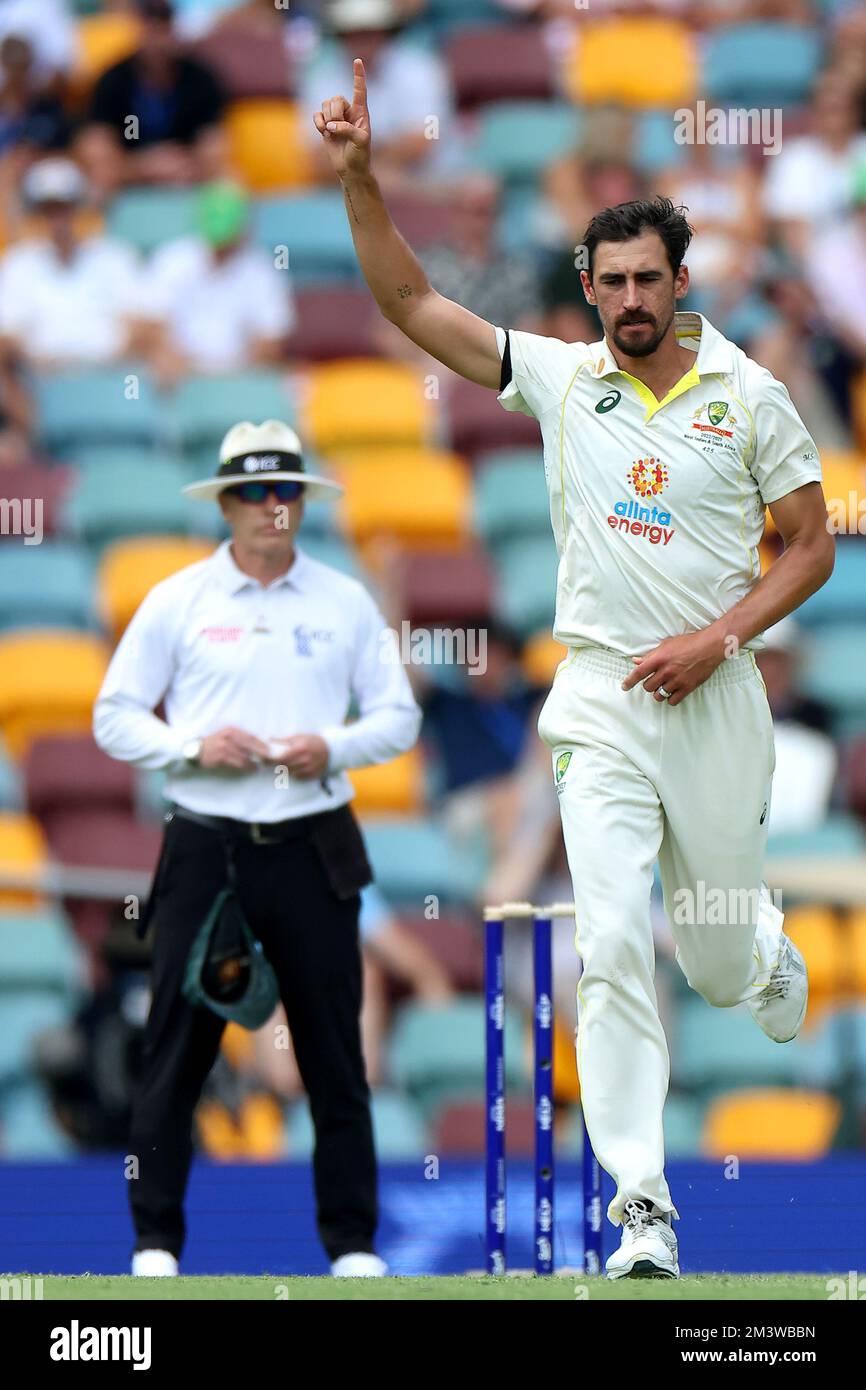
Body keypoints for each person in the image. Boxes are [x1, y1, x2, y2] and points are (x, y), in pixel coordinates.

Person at [312, 60, 835, 1279]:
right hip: (597, 698)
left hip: (714, 700)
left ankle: (756, 950)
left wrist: (718, 636)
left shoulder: (749, 398)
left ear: (679, 281)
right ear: (588, 292)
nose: (629, 300)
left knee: (707, 964)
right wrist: (357, 179)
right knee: (604, 940)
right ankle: (641, 1204)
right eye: (609, 284)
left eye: (649, 278)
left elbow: (810, 545)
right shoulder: (559, 375)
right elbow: (409, 303)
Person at [93, 418, 422, 1278]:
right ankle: (155, 1242)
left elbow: (398, 715)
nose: (272, 507)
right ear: (227, 503)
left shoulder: (343, 601)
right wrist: (191, 747)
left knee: (333, 1051)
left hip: (312, 839)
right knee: (179, 1044)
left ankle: (351, 1245)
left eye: (286, 491)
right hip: (208, 841)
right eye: (254, 492)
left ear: (302, 503)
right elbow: (113, 715)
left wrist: (333, 746)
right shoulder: (179, 600)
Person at [139, 180, 296, 381]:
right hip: (178, 378)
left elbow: (271, 339)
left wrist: (238, 373)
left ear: (244, 230)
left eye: (226, 238)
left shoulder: (263, 271)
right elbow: (148, 322)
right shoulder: (173, 259)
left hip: (238, 377)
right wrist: (169, 354)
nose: (220, 247)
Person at [0, 158, 146, 368]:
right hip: (39, 383)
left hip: (108, 377)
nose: (57, 219)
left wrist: (105, 365)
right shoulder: (18, 263)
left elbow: (140, 324)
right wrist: (39, 363)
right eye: (48, 209)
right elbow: (8, 333)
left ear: (79, 207)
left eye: (63, 207)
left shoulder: (115, 257)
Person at [79, 0, 227, 199]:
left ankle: (214, 228)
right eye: (150, 29)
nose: (157, 39)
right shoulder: (114, 79)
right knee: (98, 168)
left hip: (186, 168)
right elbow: (97, 142)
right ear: (139, 30)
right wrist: (140, 167)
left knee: (227, 178)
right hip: (128, 168)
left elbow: (212, 141)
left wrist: (180, 164)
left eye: (162, 29)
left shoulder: (199, 78)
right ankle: (98, 226)